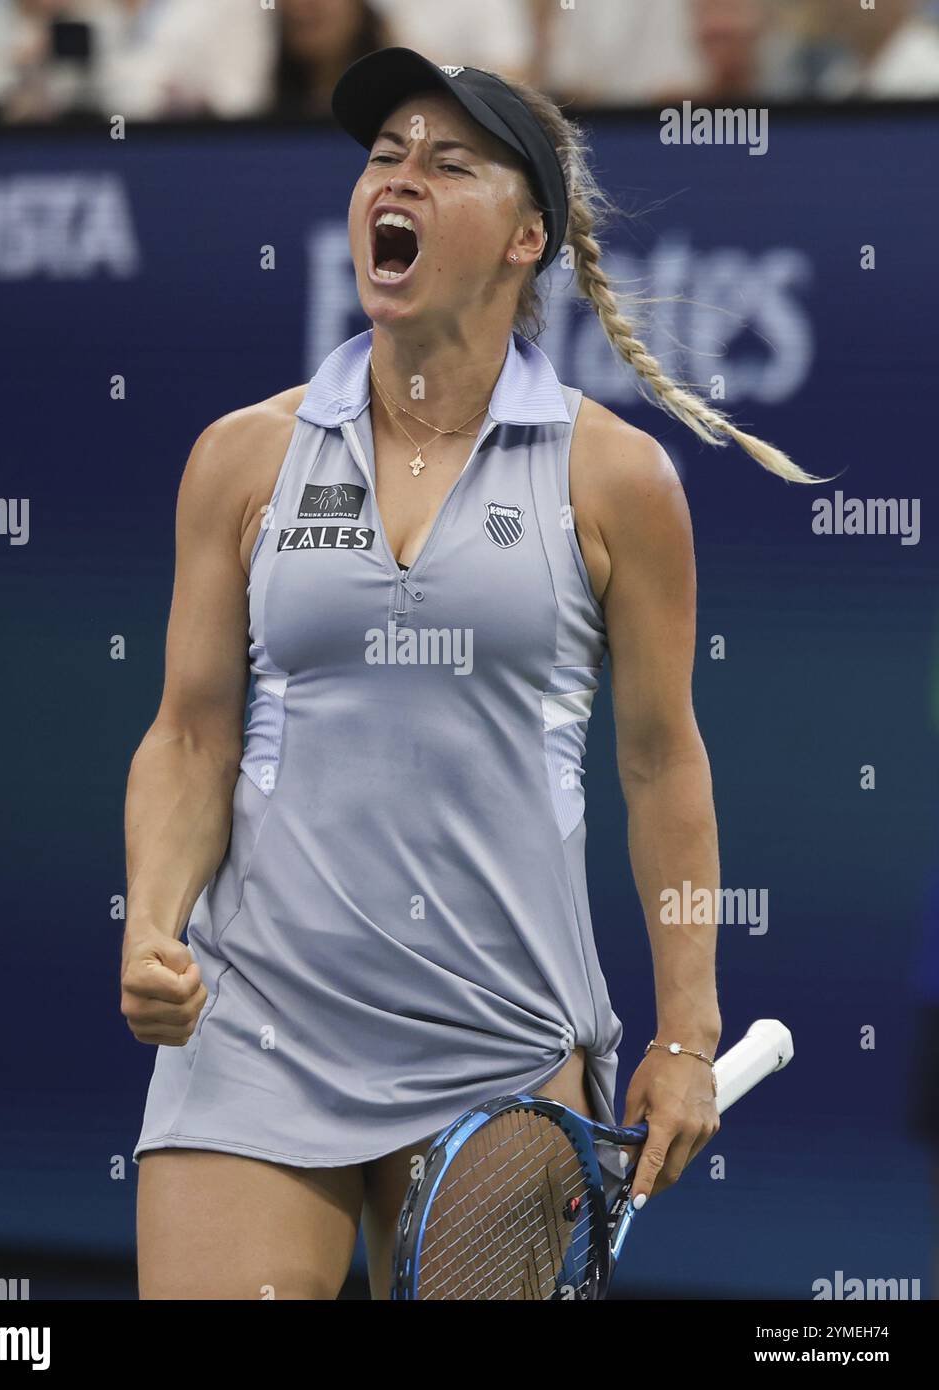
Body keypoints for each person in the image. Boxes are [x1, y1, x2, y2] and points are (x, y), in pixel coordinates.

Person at [122, 47, 819, 1301]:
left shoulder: (614, 482)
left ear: (524, 238)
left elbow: (663, 764)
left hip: (501, 1053)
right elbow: (190, 736)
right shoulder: (239, 460)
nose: (399, 177)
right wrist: (156, 922)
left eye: (448, 164)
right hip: (258, 1026)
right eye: (384, 156)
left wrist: (683, 1030)